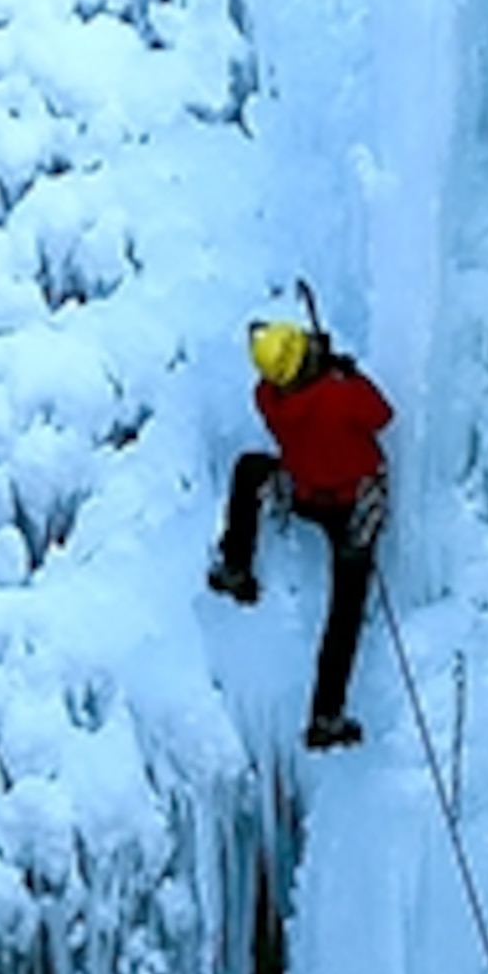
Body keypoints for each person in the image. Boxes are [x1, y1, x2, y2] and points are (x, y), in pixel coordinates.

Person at [207, 317, 391, 750]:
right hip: (350, 505)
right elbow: (381, 414)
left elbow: (289, 376)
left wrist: (317, 363)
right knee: (345, 611)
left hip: (304, 491)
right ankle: (326, 717)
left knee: (249, 470)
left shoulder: (268, 398)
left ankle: (236, 567)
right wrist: (345, 372)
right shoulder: (341, 397)